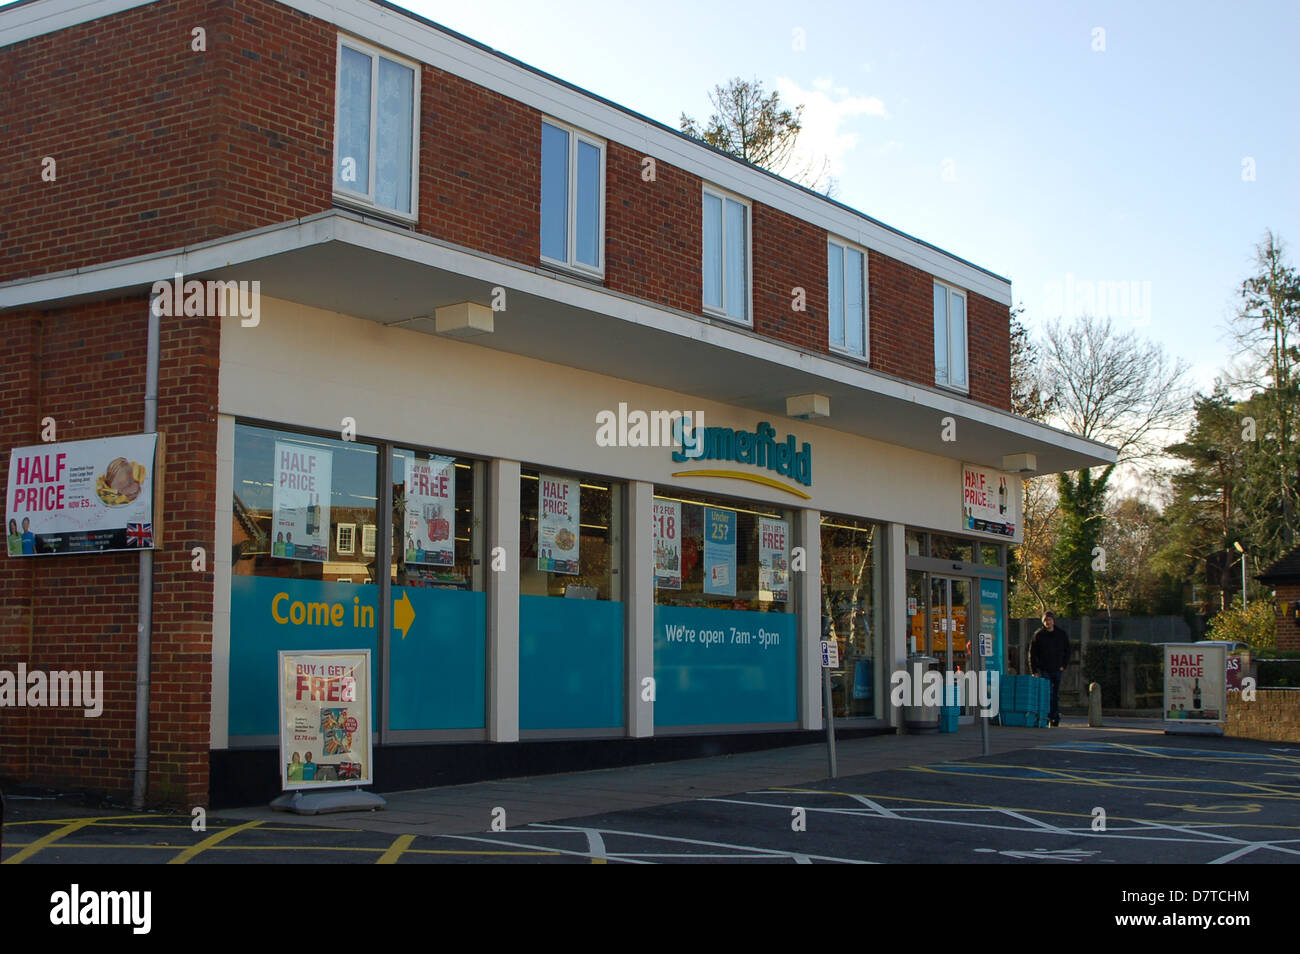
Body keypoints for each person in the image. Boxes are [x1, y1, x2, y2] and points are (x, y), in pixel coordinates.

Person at [1029, 611, 1070, 726]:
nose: (1048, 622)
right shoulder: (1038, 635)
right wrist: (1034, 670)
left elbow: (1067, 650)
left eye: (1050, 620)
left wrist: (1063, 665)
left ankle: (1055, 716)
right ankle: (1046, 716)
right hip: (1044, 669)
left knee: (1055, 694)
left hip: (1057, 668)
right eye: (1046, 620)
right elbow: (1032, 654)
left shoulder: (1061, 634)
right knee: (1047, 693)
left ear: (1053, 620)